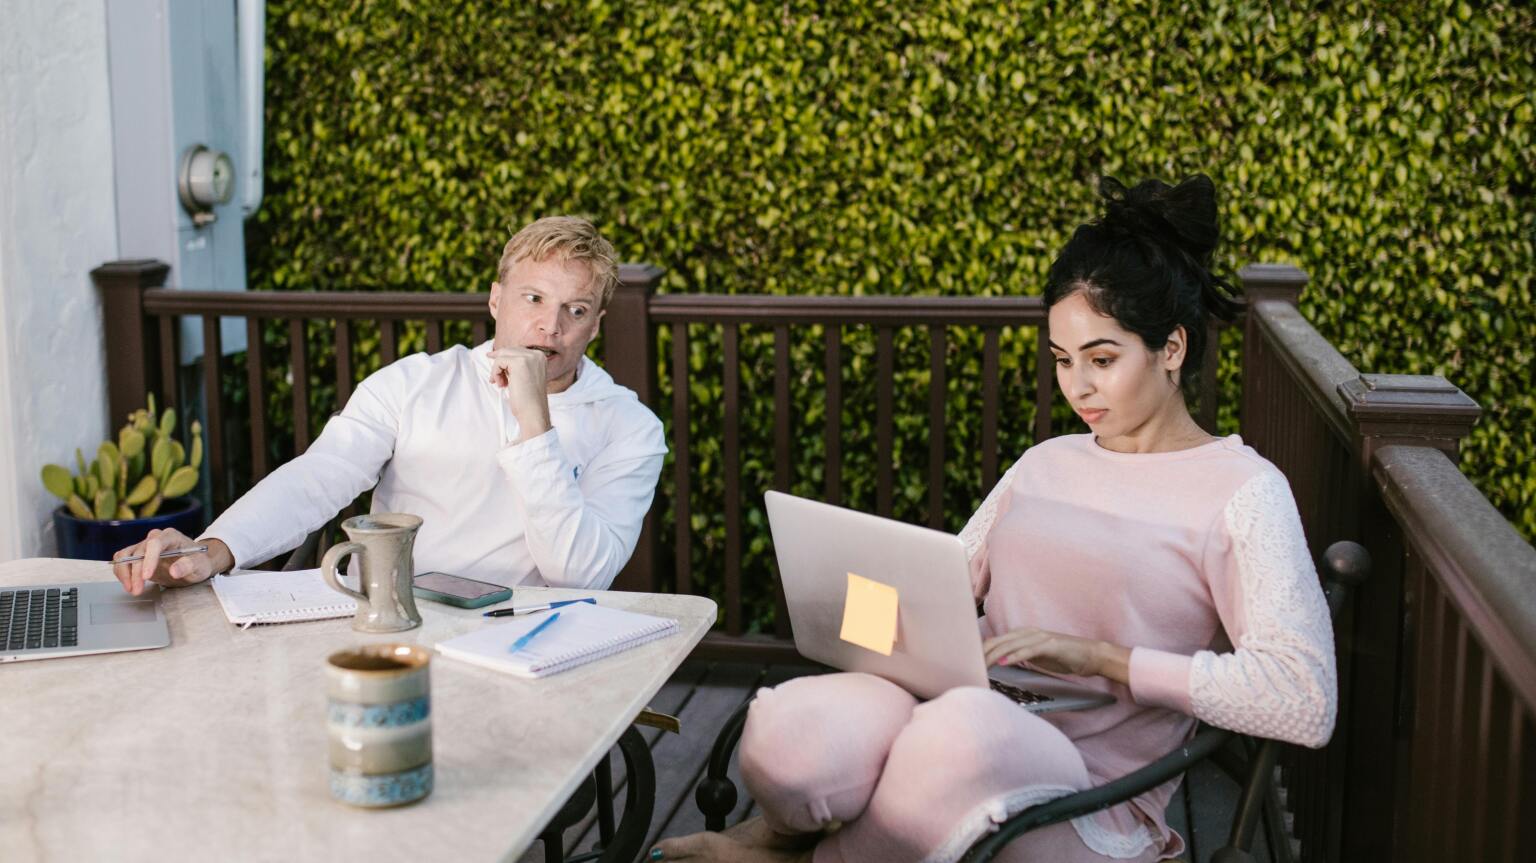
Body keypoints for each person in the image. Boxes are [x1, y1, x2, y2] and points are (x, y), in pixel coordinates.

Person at [652, 176, 1337, 863]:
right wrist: (863, 612)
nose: (1078, 386)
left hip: (1085, 790)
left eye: (1102, 359)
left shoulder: (1243, 490)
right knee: (789, 730)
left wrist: (1106, 660)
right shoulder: (1045, 462)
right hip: (952, 712)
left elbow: (1303, 696)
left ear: (1172, 349)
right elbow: (943, 586)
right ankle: (781, 835)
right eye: (1063, 360)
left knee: (959, 735)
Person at [112, 216, 666, 594]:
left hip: (527, 642)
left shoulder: (630, 428)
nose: (551, 325)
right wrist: (213, 550)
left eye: (575, 309)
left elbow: (578, 575)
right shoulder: (416, 382)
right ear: (496, 299)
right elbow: (322, 476)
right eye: (534, 298)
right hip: (390, 619)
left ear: (596, 325)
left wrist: (534, 423)